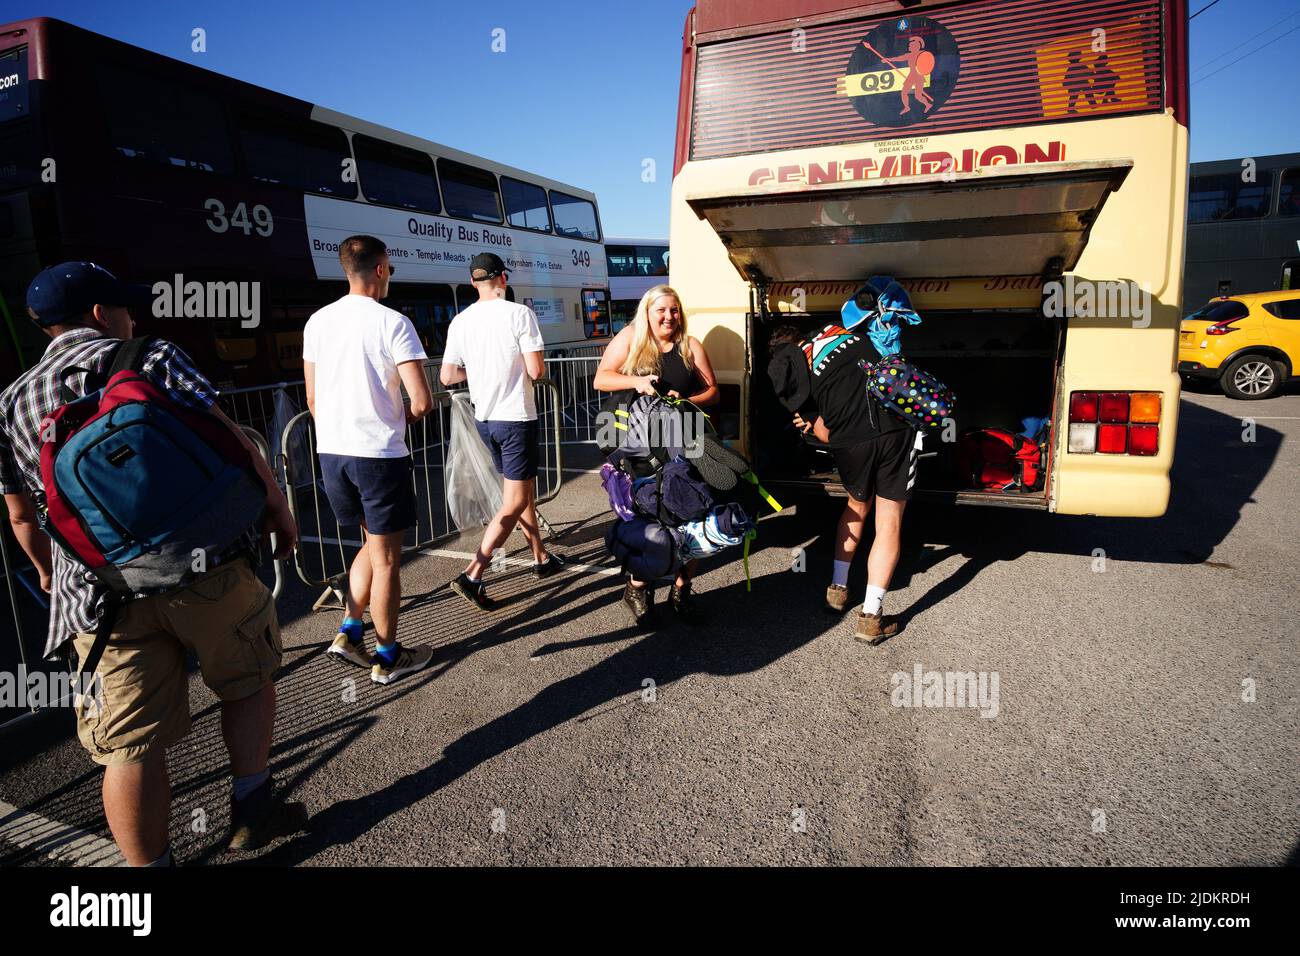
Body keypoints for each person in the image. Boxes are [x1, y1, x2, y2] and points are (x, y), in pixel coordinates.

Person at [0, 262, 305, 865]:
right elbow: (230, 437)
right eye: (123, 307)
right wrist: (277, 507)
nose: (131, 317)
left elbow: (21, 515)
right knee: (246, 679)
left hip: (97, 593)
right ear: (98, 315)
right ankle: (252, 807)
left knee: (129, 745)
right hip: (204, 565)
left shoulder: (11, 401)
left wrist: (48, 575)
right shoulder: (149, 355)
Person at [303, 235, 435, 685]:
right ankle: (387, 656)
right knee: (387, 561)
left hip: (332, 452)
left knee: (370, 546)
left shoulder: (316, 322)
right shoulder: (393, 322)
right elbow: (421, 400)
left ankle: (349, 630)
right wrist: (401, 420)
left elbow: (313, 398)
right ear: (380, 269)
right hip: (378, 454)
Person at [765, 323, 917, 643]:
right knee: (888, 521)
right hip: (894, 430)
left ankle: (837, 591)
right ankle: (871, 618)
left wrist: (809, 426)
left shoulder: (798, 374)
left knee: (856, 507)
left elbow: (825, 434)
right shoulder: (845, 335)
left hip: (850, 444)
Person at [440, 252, 564, 610]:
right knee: (513, 501)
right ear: (504, 279)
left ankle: (540, 556)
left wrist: (478, 375)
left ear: (474, 283)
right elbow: (537, 371)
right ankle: (473, 574)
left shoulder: (460, 322)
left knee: (519, 489)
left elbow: (447, 376)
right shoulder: (519, 314)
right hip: (516, 418)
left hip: (486, 421)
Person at [593, 285, 719, 625]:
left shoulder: (690, 346)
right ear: (647, 312)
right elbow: (601, 379)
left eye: (674, 310)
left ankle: (682, 587)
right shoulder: (632, 338)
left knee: (695, 515)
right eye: (661, 310)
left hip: (686, 442)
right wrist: (636, 383)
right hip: (641, 448)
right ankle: (638, 585)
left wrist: (689, 400)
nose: (668, 317)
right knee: (652, 520)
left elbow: (712, 390)